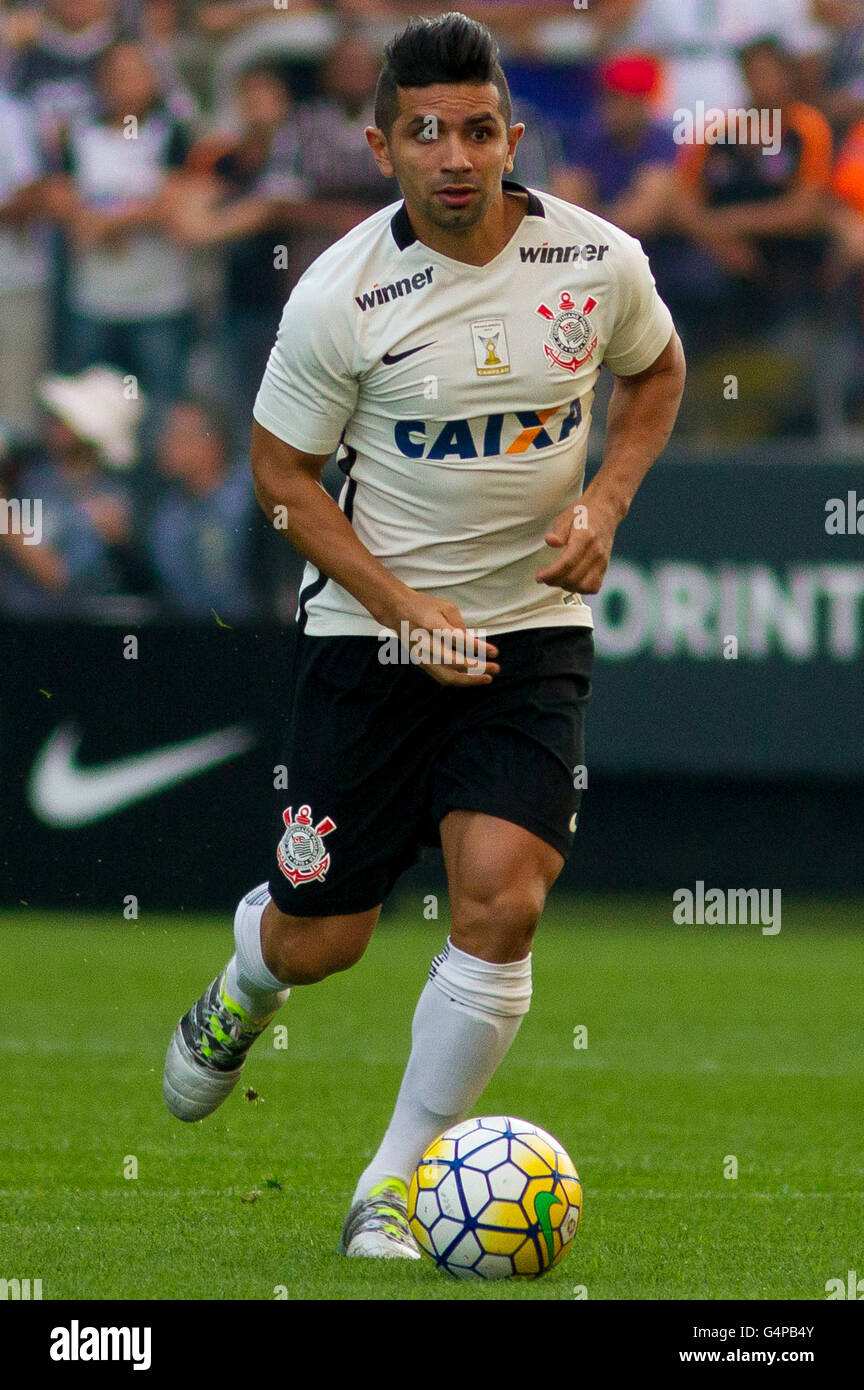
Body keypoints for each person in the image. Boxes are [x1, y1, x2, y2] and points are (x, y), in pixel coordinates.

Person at [162, 12, 685, 1260]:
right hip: (368, 638)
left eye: (479, 129)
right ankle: (248, 978)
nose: (455, 155)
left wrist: (605, 503)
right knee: (322, 935)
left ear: (513, 134)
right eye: (425, 132)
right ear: (381, 145)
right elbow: (281, 476)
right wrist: (406, 610)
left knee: (501, 902)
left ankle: (390, 1186)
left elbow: (657, 373)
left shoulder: (596, 259)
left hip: (531, 630)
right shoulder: (340, 296)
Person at [45, 39, 195, 425]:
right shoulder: (78, 136)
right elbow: (61, 199)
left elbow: (173, 202)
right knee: (87, 412)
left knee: (160, 413)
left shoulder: (172, 133)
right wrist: (135, 215)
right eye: (116, 75)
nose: (125, 84)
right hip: (93, 301)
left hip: (159, 302)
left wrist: (104, 222)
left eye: (134, 74)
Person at [145, 398, 259, 622]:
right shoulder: (165, 511)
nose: (165, 444)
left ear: (211, 444)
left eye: (177, 435)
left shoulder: (255, 500)